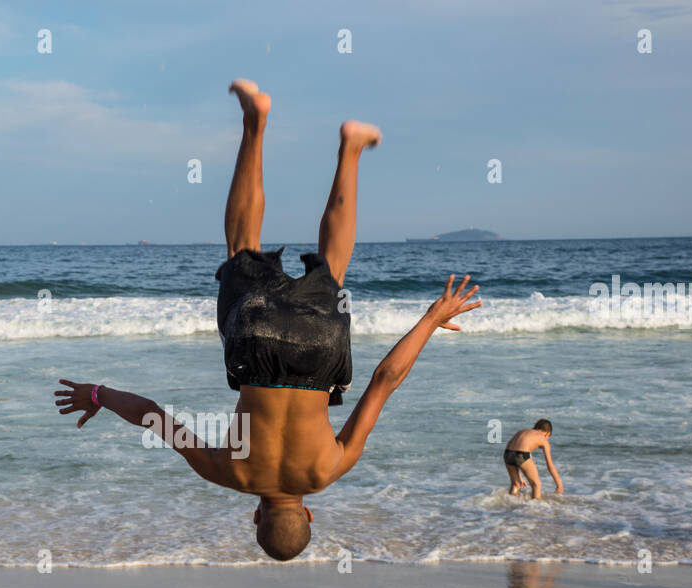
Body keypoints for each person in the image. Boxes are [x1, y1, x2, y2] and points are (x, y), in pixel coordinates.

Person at [54, 79, 480, 560]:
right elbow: (154, 417)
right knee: (241, 250)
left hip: (320, 358)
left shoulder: (327, 472)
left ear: (309, 514)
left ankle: (352, 147)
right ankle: (255, 122)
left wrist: (432, 316)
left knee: (332, 267)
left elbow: (385, 380)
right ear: (256, 515)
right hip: (255, 351)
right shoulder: (231, 474)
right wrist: (97, 394)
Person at [504, 419, 564, 499]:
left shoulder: (523, 431)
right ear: (547, 433)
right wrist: (559, 485)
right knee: (536, 485)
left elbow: (514, 452)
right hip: (521, 455)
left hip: (507, 454)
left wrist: (519, 476)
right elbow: (550, 465)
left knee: (516, 484)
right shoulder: (543, 439)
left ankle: (508, 505)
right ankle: (535, 509)